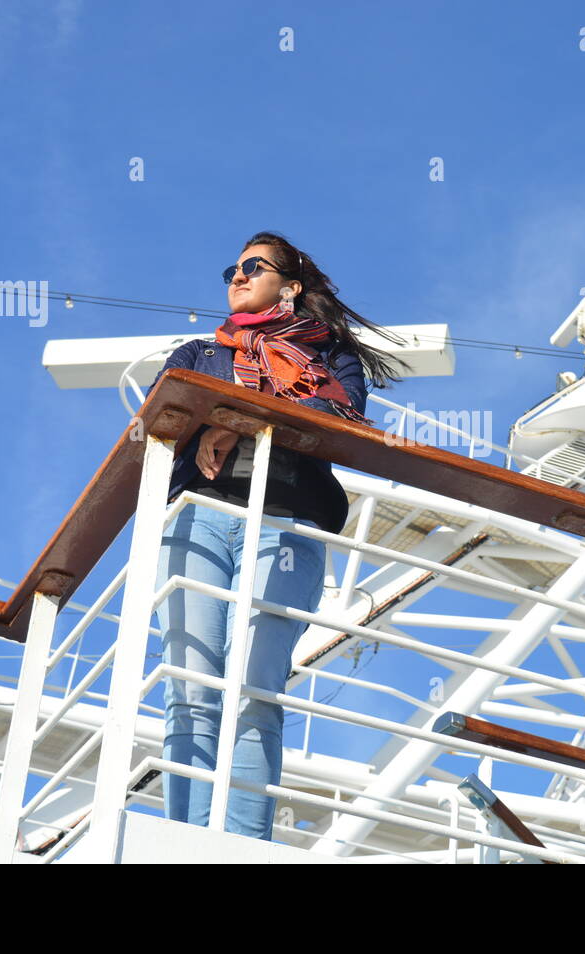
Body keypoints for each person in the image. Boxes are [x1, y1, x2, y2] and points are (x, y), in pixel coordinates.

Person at [147, 231, 408, 841]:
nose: (235, 277)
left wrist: (238, 419)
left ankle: (241, 847)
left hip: (288, 524)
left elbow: (342, 418)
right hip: (198, 519)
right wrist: (223, 416)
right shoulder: (196, 354)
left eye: (252, 267)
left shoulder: (329, 359)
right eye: (231, 270)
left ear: (289, 287)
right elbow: (162, 422)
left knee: (255, 688)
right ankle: (183, 843)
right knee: (190, 687)